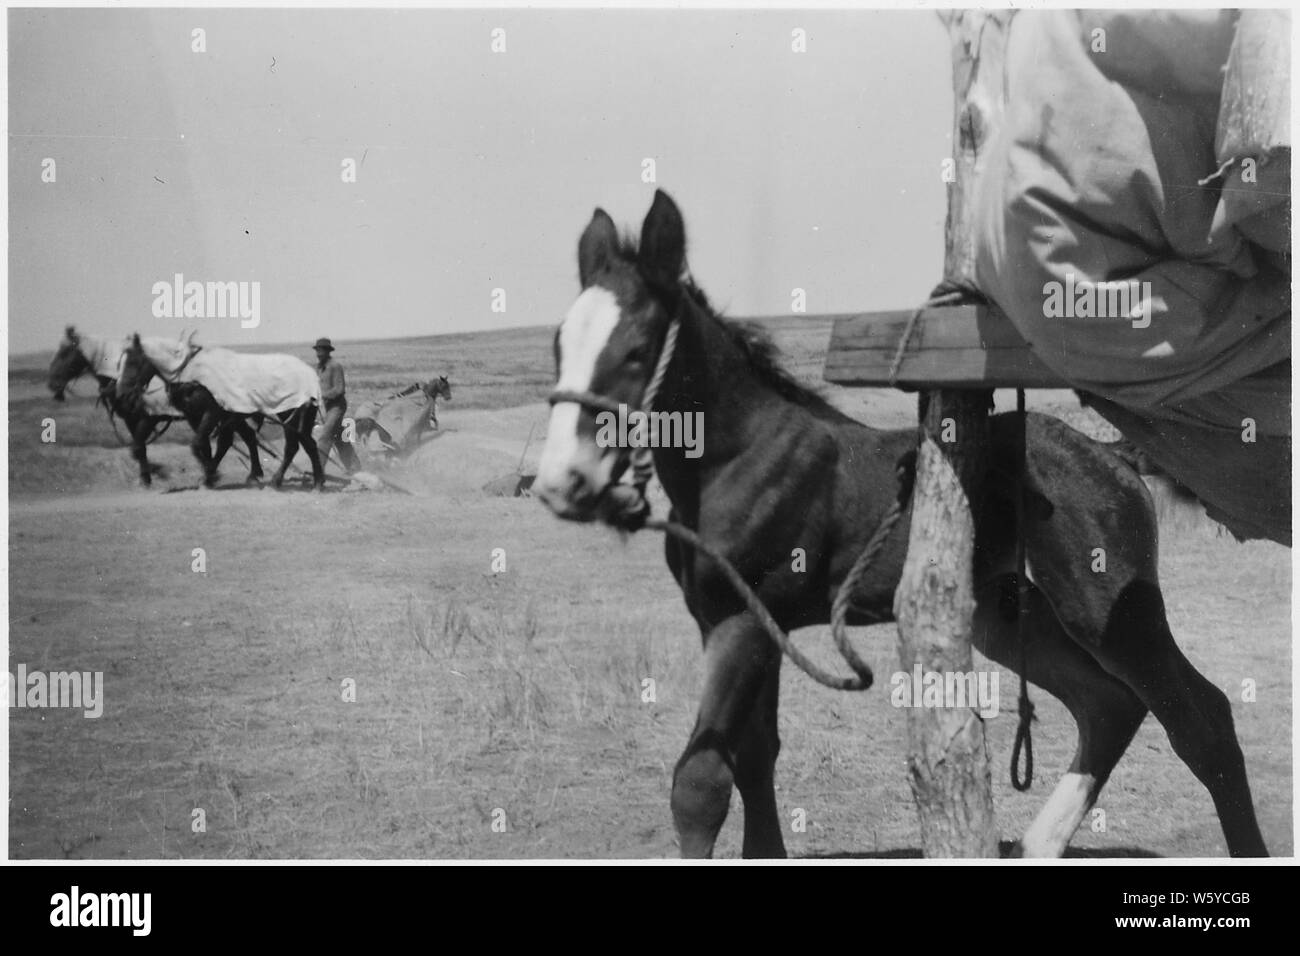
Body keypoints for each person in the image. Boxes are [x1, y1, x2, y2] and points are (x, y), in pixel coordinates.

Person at [313, 337, 361, 473]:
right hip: (327, 408)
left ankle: (318, 473)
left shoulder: (335, 366)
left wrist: (323, 395)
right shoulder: (319, 368)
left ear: (328, 351)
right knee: (340, 439)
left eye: (322, 350)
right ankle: (356, 470)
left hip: (337, 407)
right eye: (317, 350)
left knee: (325, 437)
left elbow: (339, 389)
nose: (319, 353)